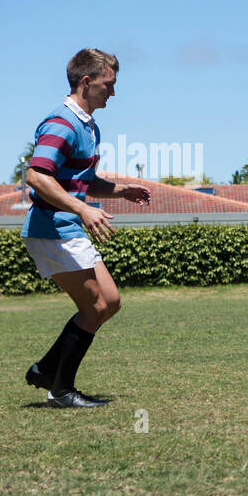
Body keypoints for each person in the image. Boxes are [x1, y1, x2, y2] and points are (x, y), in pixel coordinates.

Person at [21, 48, 152, 408]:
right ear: (86, 81)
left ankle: (47, 370)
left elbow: (79, 180)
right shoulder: (62, 122)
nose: (113, 92)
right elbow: (36, 175)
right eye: (109, 84)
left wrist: (120, 191)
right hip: (52, 229)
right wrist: (82, 209)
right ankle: (60, 390)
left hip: (65, 226)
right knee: (97, 305)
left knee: (108, 302)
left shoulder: (88, 124)